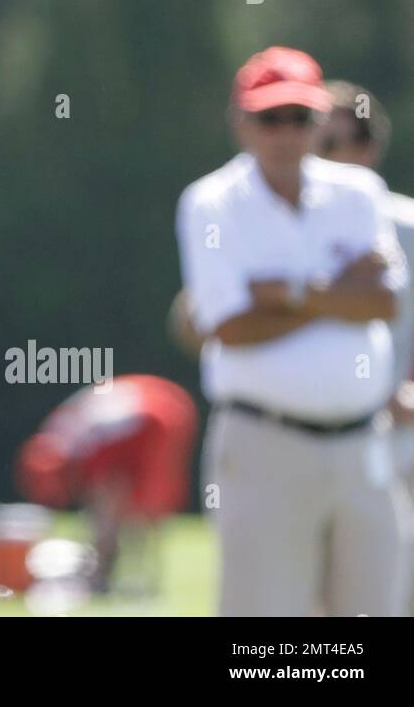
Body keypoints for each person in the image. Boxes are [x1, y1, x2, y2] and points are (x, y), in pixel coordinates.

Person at [176, 46, 410, 616]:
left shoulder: (357, 193)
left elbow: (382, 302)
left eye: (299, 118)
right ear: (241, 123)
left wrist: (288, 291)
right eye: (269, 118)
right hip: (266, 441)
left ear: (318, 122)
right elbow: (229, 326)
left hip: (363, 444)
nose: (285, 133)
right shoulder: (213, 203)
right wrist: (336, 292)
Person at [315, 79, 414, 612]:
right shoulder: (282, 221)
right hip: (306, 435)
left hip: (395, 443)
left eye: (331, 144)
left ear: (368, 149)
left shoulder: (407, 225)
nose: (317, 158)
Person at [15, 375, 197, 595]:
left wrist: (100, 543)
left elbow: (107, 499)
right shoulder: (65, 431)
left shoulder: (83, 447)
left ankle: (106, 575)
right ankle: (145, 577)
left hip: (148, 418)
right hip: (167, 403)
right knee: (143, 507)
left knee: (123, 508)